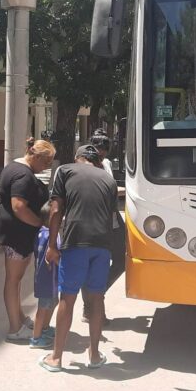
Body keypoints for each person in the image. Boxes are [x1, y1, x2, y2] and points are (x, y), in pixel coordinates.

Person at [39, 145, 119, 372]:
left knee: (68, 297)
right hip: (102, 244)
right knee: (96, 298)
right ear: (96, 161)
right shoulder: (109, 179)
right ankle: (94, 355)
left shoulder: (65, 171)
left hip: (76, 241)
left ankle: (56, 358)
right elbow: (112, 216)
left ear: (77, 158)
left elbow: (56, 210)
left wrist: (52, 245)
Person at [0, 140, 56, 342]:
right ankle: (15, 328)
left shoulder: (14, 167)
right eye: (45, 162)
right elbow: (18, 206)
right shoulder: (23, 175)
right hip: (16, 233)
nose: (46, 167)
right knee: (13, 279)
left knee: (15, 280)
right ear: (36, 156)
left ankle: (19, 318)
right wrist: (39, 223)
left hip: (17, 232)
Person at [85, 130, 125, 325]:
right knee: (94, 265)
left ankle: (95, 297)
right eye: (98, 151)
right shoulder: (83, 168)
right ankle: (91, 306)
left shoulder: (106, 164)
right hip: (97, 223)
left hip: (110, 218)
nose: (100, 155)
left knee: (120, 261)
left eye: (103, 151)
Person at [30, 215, 59, 349]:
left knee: (52, 303)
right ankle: (35, 338)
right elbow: (55, 256)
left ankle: (45, 328)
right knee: (43, 308)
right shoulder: (51, 237)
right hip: (48, 278)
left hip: (43, 277)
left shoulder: (40, 233)